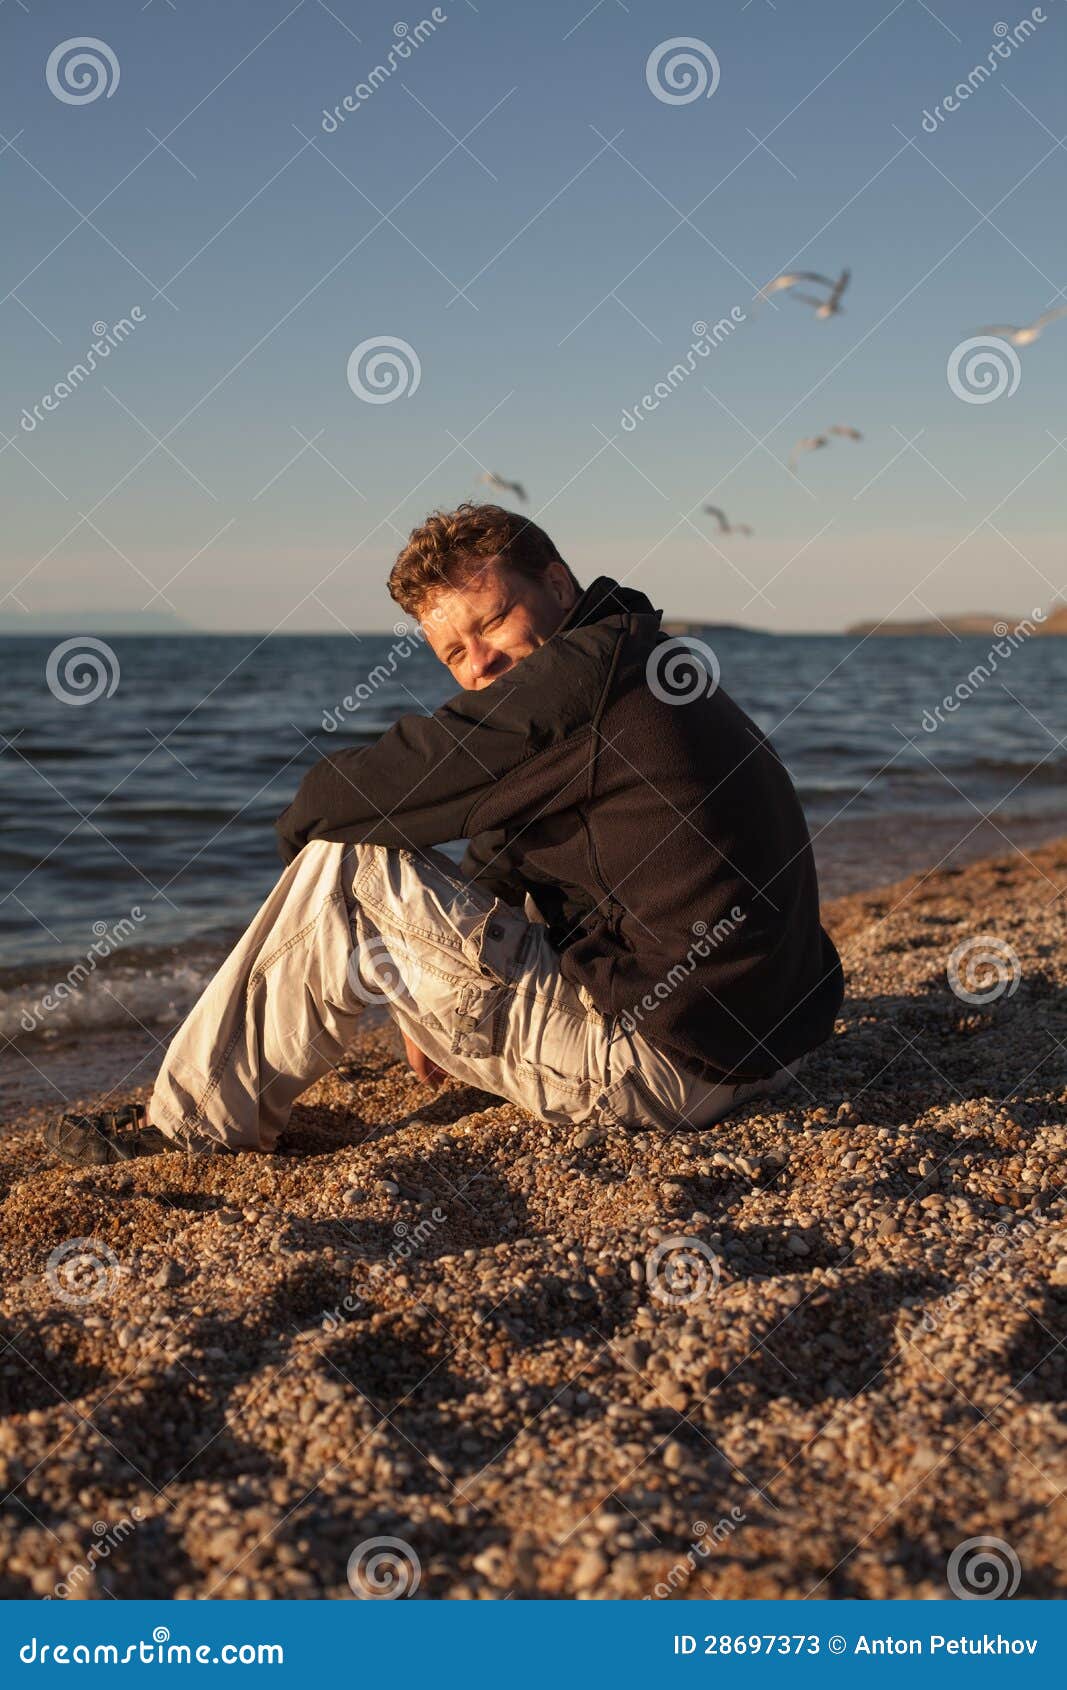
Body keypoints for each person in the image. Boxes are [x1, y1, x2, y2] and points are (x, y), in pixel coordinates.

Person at [45, 504, 843, 1166]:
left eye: (491, 621)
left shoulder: (577, 684)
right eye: (453, 652)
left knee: (345, 863)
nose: (479, 663)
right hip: (769, 1051)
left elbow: (331, 799)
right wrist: (417, 992)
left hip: (667, 1072)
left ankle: (188, 1131)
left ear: (556, 584)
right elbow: (504, 848)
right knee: (381, 866)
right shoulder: (637, 660)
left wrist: (351, 920)